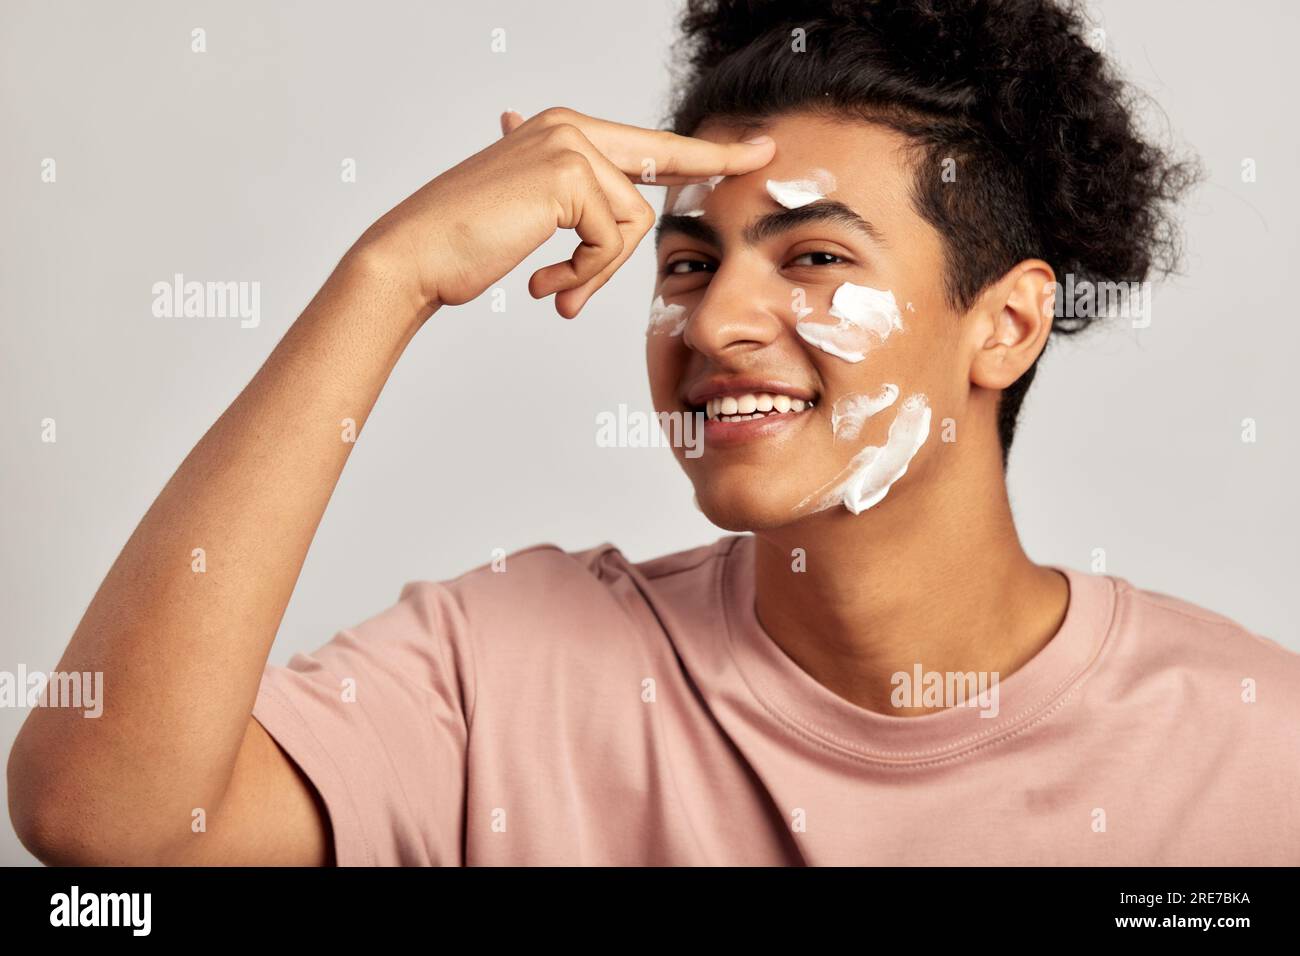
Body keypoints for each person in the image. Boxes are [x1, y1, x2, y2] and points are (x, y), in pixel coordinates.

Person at [10, 0, 1298, 866]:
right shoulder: (506, 671)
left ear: (1006, 326)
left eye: (811, 255)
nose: (716, 318)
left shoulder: (1255, 751)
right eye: (686, 264)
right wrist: (387, 273)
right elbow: (103, 826)